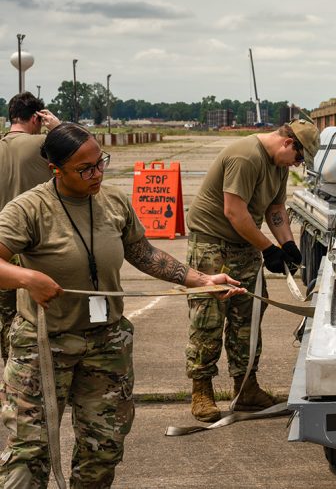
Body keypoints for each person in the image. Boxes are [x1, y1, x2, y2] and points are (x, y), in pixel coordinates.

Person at [0, 123, 244, 487]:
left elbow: (143, 253)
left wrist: (201, 280)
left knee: (104, 446)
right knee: (29, 453)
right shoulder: (29, 209)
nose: (97, 174)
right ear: (56, 170)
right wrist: (27, 279)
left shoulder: (113, 201)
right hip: (44, 346)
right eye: (85, 169)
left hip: (106, 344)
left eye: (101, 162)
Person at [184, 119, 319, 422]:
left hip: (244, 246)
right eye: (298, 158)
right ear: (288, 143)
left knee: (248, 319)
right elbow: (234, 211)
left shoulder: (278, 166)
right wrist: (267, 248)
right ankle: (201, 390)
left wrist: (287, 245)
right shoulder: (247, 156)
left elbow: (275, 209)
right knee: (208, 320)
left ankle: (246, 388)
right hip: (212, 247)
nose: (297, 165)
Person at [0, 92, 60, 363]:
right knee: (39, 315)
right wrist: (56, 126)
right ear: (36, 117)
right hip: (35, 244)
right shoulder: (43, 143)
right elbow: (83, 148)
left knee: (6, 316)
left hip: (3, 246)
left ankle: (8, 373)